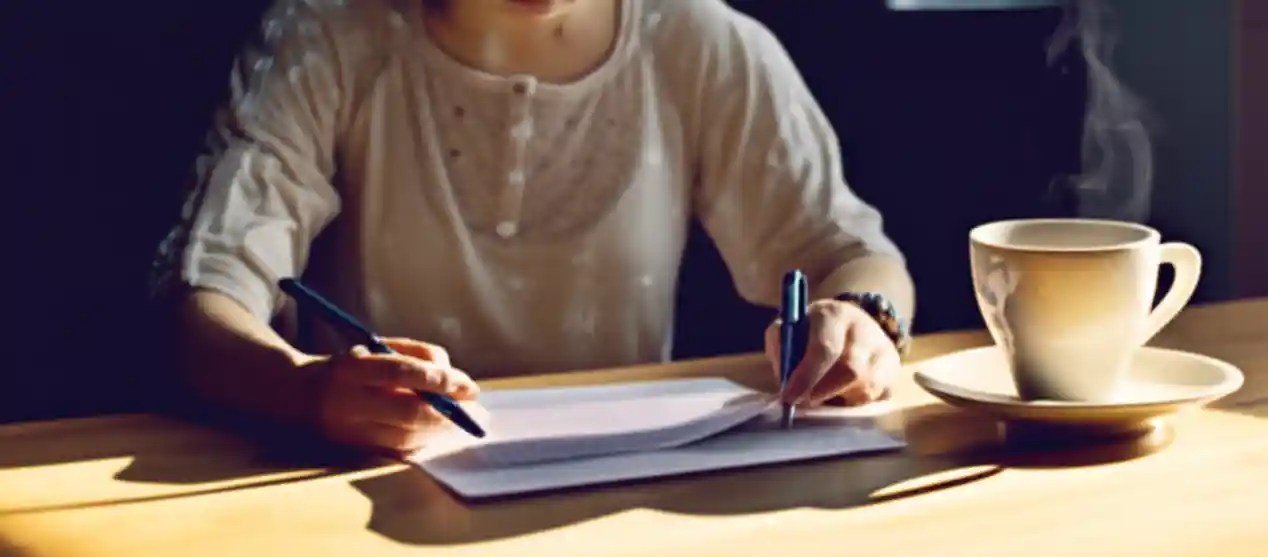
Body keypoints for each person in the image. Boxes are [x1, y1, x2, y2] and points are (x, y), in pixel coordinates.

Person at [150, 0, 915, 454]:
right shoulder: (333, 38)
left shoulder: (696, 40)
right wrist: (303, 389)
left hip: (618, 486)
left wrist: (860, 323)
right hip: (369, 483)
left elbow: (847, 252)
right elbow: (205, 295)